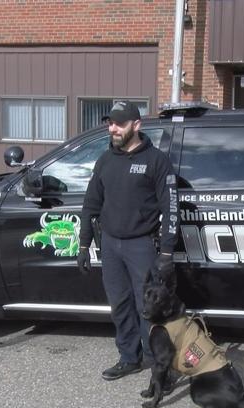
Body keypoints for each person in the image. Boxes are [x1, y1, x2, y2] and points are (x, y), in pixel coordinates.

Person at [77, 101, 179, 381]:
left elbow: (171, 207)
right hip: (110, 245)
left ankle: (160, 366)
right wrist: (84, 245)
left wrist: (167, 252)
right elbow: (90, 204)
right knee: (120, 304)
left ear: (136, 125)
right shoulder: (105, 160)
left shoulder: (156, 161)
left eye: (119, 124)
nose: (113, 128)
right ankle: (129, 358)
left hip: (142, 246)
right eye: (110, 123)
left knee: (148, 309)